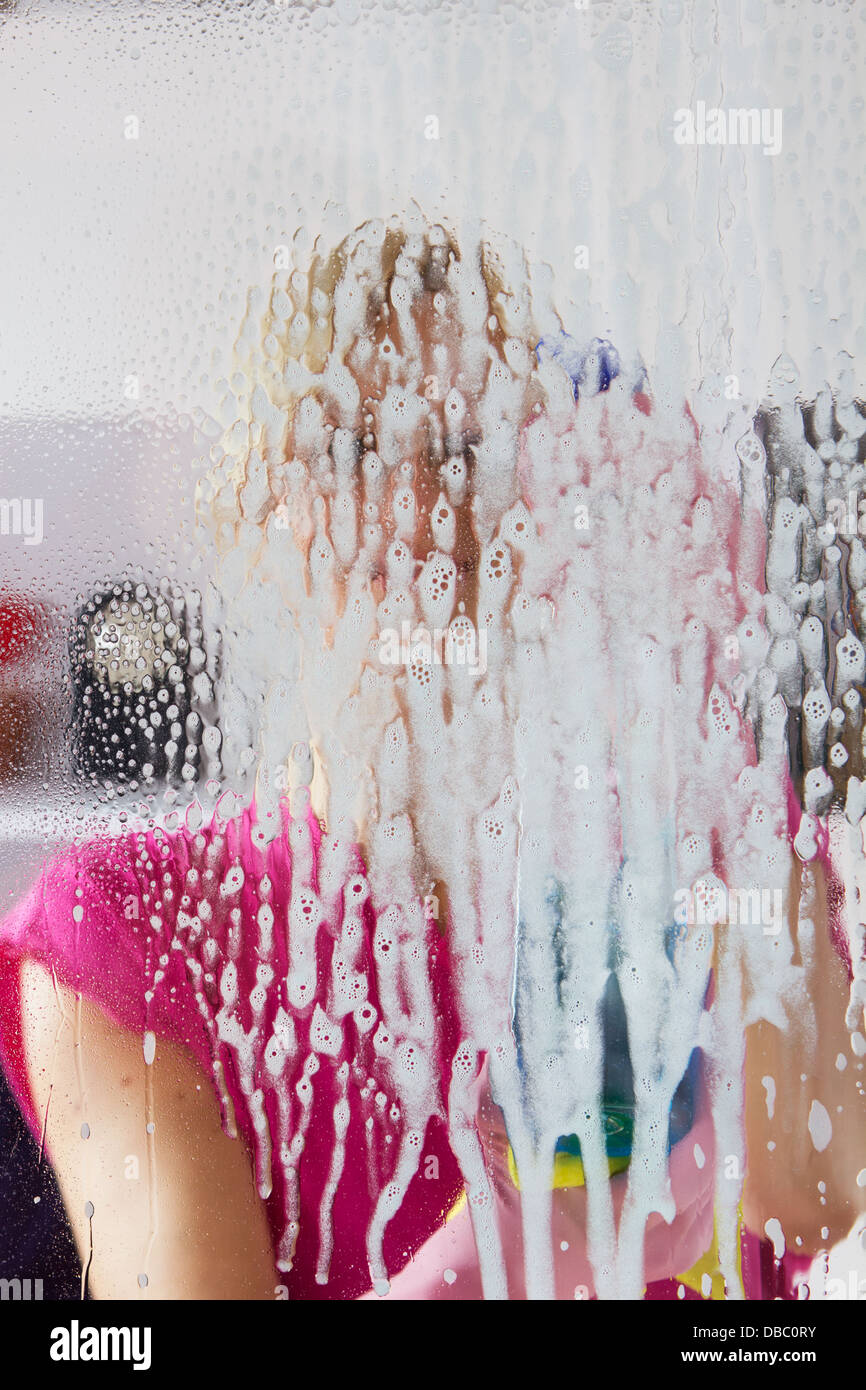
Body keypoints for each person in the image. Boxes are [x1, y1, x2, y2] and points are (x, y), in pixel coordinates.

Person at [0, 216, 860, 1300]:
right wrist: (502, 1253)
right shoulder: (136, 931)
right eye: (353, 450)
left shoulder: (674, 837)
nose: (417, 509)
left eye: (461, 447)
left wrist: (724, 760)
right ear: (263, 508)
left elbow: (808, 1192)